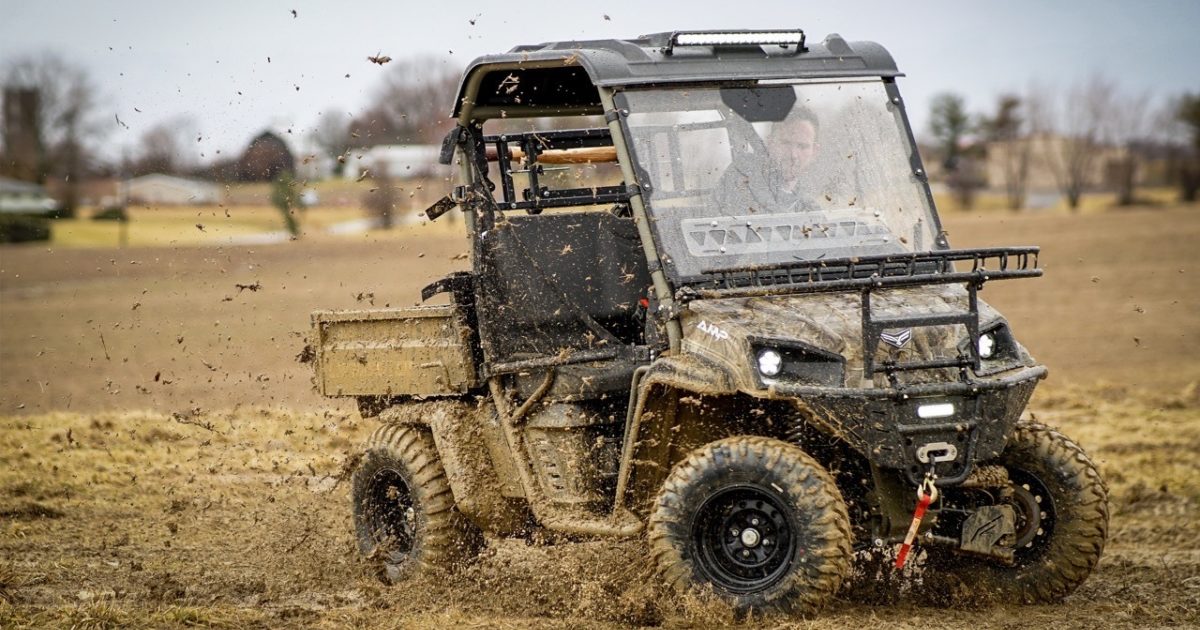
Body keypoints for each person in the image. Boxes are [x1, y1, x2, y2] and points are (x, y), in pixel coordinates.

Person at [712, 107, 820, 214]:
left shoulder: (811, 208)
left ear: (814, 152)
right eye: (786, 143)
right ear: (770, 143)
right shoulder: (741, 176)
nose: (793, 155)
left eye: (802, 146)